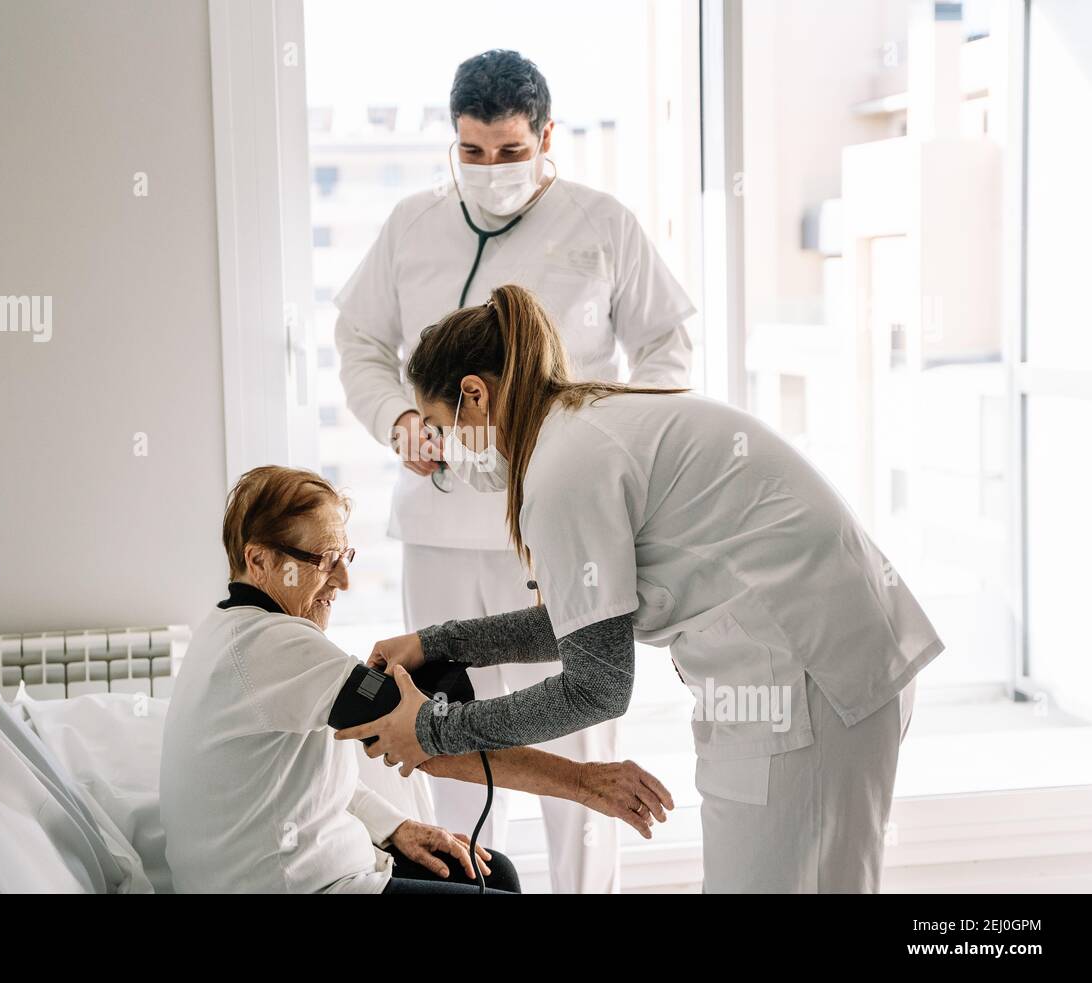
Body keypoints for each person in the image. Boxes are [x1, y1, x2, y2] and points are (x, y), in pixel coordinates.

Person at [334, 285, 944, 893]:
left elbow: (597, 685)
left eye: (440, 429)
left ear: (474, 393)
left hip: (811, 677)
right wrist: (441, 642)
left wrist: (434, 729)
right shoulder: (579, 427)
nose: (443, 454)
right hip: (804, 669)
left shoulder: (562, 468)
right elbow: (587, 615)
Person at [334, 48, 696, 894]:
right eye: (472, 153)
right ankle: (465, 889)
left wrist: (604, 446)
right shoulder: (410, 227)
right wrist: (399, 418)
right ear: (450, 144)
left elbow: (667, 346)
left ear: (545, 138)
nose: (490, 171)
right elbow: (357, 341)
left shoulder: (602, 223)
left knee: (574, 735)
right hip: (442, 527)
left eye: (508, 152)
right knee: (444, 733)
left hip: (562, 525)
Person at [159, 465, 673, 894]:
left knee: (494, 871)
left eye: (346, 557)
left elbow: (309, 785)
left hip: (307, 867)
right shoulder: (271, 645)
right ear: (259, 560)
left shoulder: (235, 629)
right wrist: (584, 783)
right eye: (325, 561)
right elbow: (426, 742)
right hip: (290, 885)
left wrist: (396, 827)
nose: (343, 581)